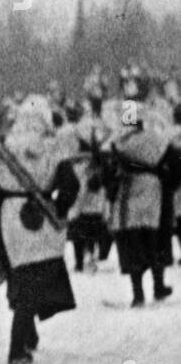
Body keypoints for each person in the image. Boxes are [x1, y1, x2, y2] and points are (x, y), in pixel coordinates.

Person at [0, 95, 79, 364]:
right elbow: (71, 185)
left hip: (9, 219)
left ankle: (27, 337)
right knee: (37, 275)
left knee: (20, 276)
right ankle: (16, 348)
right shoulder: (53, 147)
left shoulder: (2, 151)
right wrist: (58, 206)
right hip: (42, 217)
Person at [105, 90, 181, 306]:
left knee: (132, 242)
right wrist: (170, 183)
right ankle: (158, 285)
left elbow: (107, 167)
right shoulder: (156, 138)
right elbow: (176, 161)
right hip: (154, 189)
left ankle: (138, 293)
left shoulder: (118, 141)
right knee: (156, 238)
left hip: (126, 192)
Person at [67, 101, 113, 272]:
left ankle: (81, 260)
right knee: (93, 223)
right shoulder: (97, 123)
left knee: (79, 225)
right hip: (94, 169)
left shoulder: (77, 127)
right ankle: (91, 255)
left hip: (82, 165)